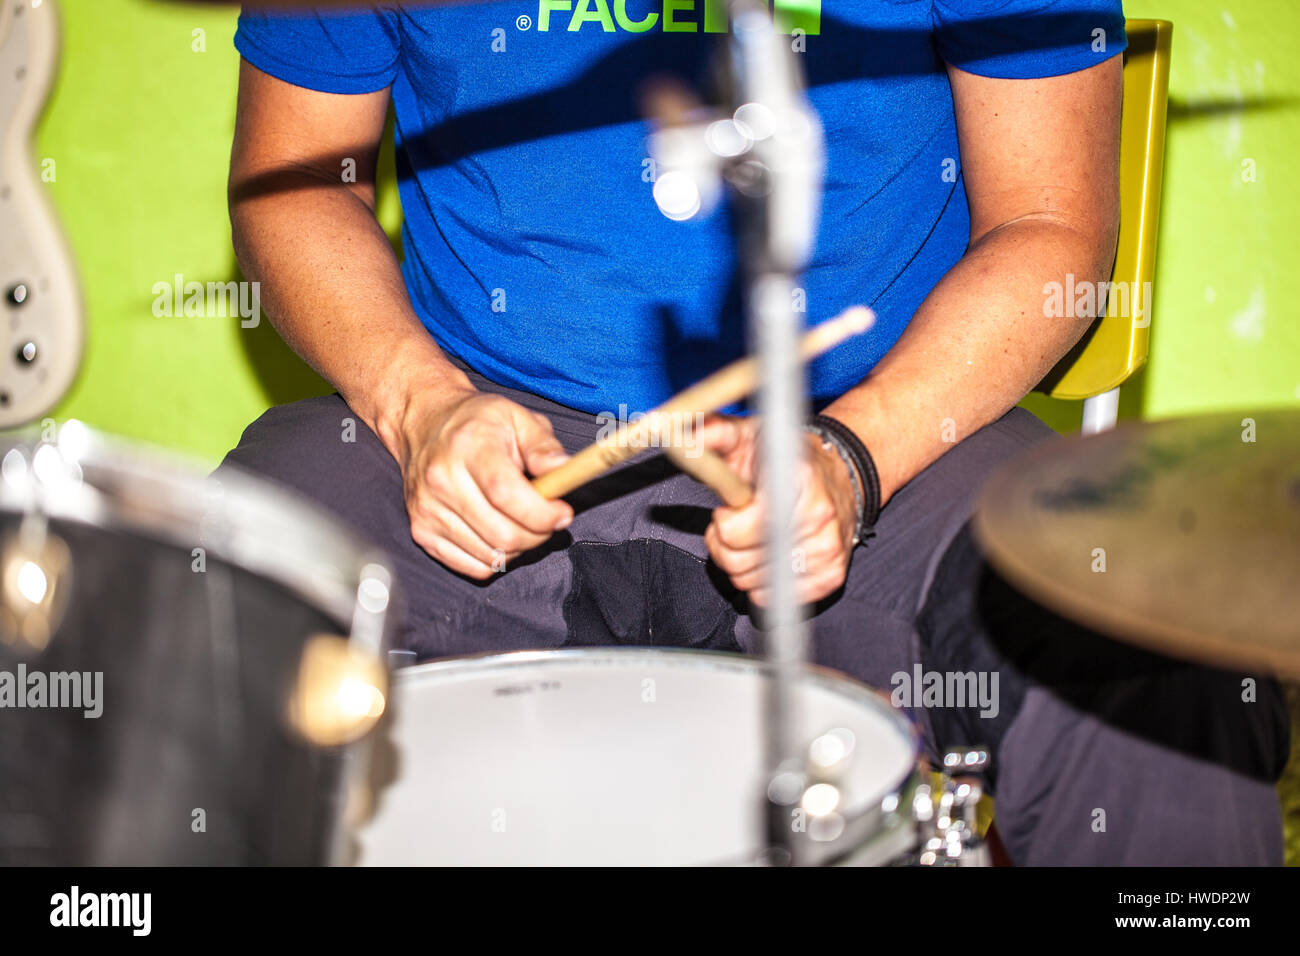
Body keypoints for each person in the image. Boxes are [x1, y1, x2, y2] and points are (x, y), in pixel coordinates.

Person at [222, 1, 1288, 864]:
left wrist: (852, 457)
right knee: (209, 619)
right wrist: (418, 405)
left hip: (887, 432)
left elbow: (1048, 227)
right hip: (468, 412)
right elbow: (299, 177)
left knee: (1137, 663)